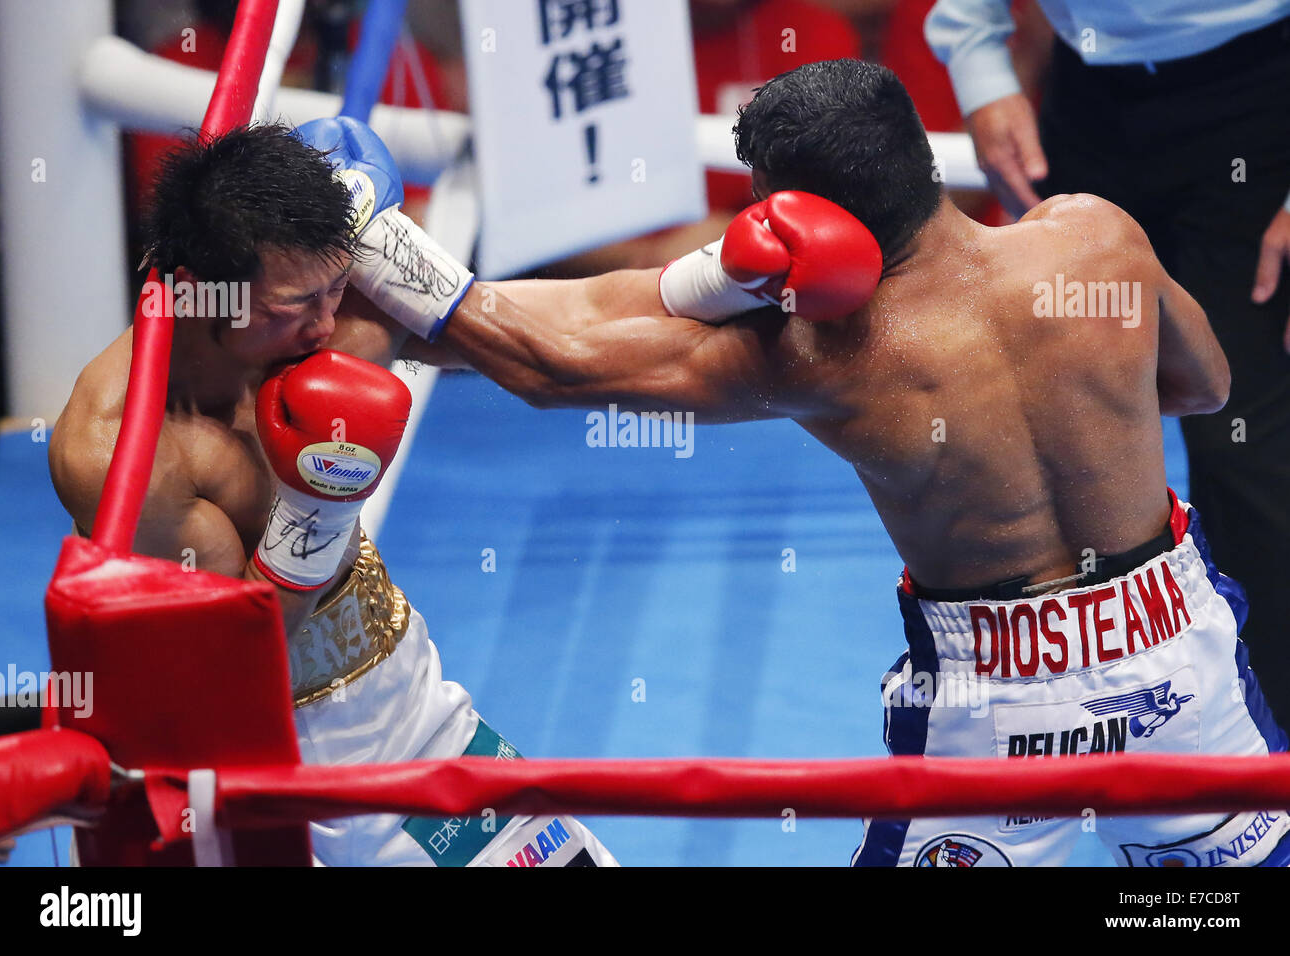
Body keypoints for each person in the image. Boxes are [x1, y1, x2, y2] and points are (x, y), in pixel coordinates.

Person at [343, 59, 1290, 866]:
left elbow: (556, 361)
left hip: (995, 707)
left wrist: (375, 244)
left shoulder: (823, 352)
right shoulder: (1098, 241)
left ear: (791, 216)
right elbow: (1203, 387)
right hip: (1178, 654)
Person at [48, 123, 616, 868]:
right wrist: (316, 507)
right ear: (199, 292)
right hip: (290, 769)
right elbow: (241, 658)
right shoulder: (124, 451)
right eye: (296, 305)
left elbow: (536, 346)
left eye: (338, 286)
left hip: (411, 700)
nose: (325, 325)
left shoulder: (300, 291)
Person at [925, 0, 1290, 725]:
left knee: (1240, 441)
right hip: (1088, 102)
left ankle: (1266, 752)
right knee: (1066, 430)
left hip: (1263, 96)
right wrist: (980, 63)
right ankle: (1083, 717)